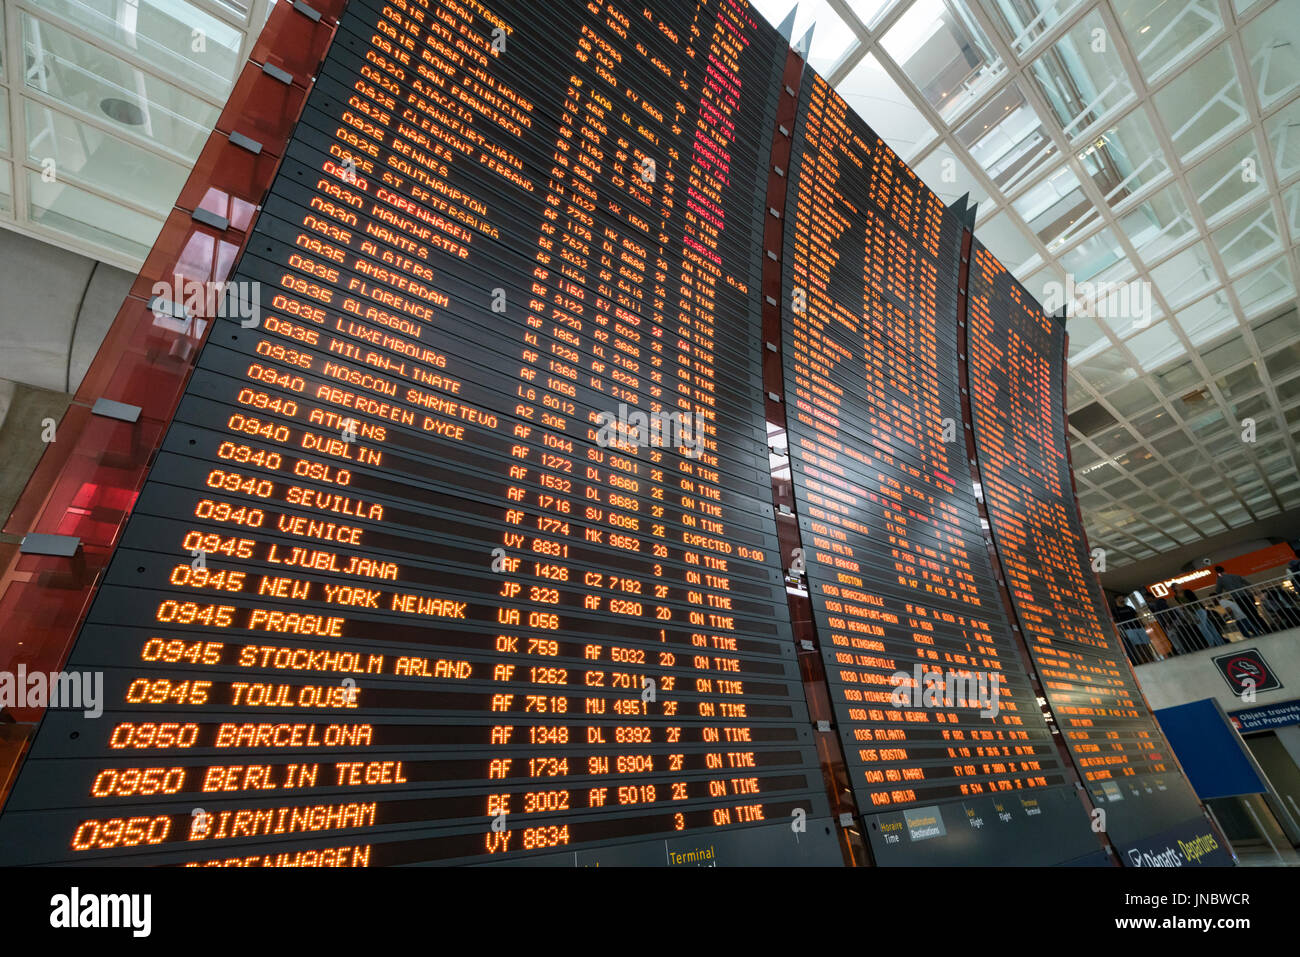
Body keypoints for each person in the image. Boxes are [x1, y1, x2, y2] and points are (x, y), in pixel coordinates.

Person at [1213, 566, 1266, 637]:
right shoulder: (1235, 575)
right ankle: (1267, 629)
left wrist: (1219, 581)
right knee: (1255, 614)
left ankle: (1263, 630)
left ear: (1217, 572)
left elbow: (1218, 591)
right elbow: (1248, 583)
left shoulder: (1220, 579)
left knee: (1250, 616)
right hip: (1248, 596)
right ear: (1224, 570)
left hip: (1239, 598)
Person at [1113, 596, 1157, 662]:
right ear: (1116, 599)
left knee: (1146, 644)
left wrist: (1142, 624)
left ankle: (1152, 659)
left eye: (1122, 597)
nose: (1122, 599)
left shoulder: (1129, 608)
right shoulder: (1115, 610)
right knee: (1137, 646)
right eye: (1120, 598)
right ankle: (1143, 660)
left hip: (1138, 627)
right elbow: (1115, 620)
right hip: (1128, 629)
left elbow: (1136, 615)